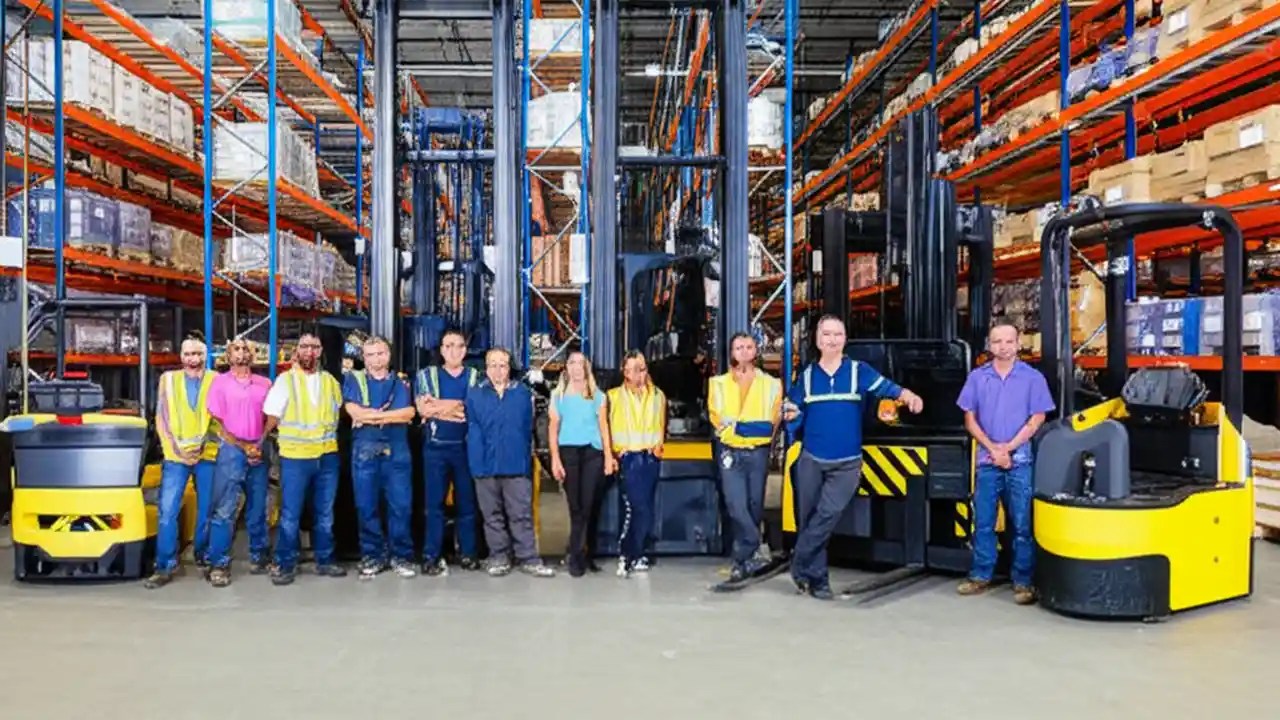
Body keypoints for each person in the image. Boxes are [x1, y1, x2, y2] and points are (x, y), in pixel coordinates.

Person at [784, 315, 924, 600]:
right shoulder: (807, 377)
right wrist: (790, 413)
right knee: (810, 519)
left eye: (838, 334)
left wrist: (909, 395)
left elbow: (888, 388)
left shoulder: (860, 371)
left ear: (845, 339)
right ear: (817, 339)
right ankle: (818, 580)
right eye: (827, 334)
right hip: (812, 459)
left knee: (826, 515)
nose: (832, 339)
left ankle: (799, 563)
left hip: (847, 463)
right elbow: (792, 409)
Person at [955, 323, 1055, 605]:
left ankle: (1023, 582)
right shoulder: (977, 377)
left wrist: (1008, 448)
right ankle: (980, 575)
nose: (1003, 347)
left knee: (1023, 524)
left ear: (1017, 343)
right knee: (983, 521)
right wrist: (993, 448)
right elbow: (969, 419)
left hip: (1019, 460)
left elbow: (1037, 419)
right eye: (997, 341)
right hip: (987, 460)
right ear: (990, 344)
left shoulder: (1032, 378)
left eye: (1008, 341)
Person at [263, 333, 346, 586]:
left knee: (325, 513)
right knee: (290, 514)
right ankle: (285, 563)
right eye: (304, 347)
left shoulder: (331, 382)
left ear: (320, 351)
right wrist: (260, 443)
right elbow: (272, 416)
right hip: (296, 458)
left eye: (314, 347)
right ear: (297, 351)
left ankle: (325, 560)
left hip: (326, 456)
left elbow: (337, 413)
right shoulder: (285, 381)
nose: (309, 351)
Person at [464, 348, 554, 577]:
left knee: (520, 514)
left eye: (502, 364)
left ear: (509, 367)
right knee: (492, 515)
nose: (497, 370)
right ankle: (499, 556)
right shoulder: (474, 394)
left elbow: (535, 424)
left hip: (516, 463)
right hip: (484, 464)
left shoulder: (523, 393)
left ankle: (529, 558)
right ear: (486, 368)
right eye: (492, 364)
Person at [144, 338, 219, 589]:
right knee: (167, 512)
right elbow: (161, 417)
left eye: (197, 354)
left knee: (207, 510)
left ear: (205, 356)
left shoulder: (215, 380)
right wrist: (175, 450)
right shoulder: (169, 380)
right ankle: (165, 565)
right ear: (181, 355)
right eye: (187, 353)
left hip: (207, 454)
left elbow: (219, 418)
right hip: (176, 457)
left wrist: (202, 446)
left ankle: (204, 557)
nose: (192, 359)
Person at [708, 332, 782, 582]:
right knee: (735, 505)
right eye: (738, 347)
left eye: (748, 347)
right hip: (730, 453)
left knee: (753, 506)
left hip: (757, 453)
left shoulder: (772, 384)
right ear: (731, 353)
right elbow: (717, 420)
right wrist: (748, 428)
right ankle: (755, 542)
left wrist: (738, 427)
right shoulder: (717, 384)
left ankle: (742, 560)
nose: (743, 351)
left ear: (755, 351)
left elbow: (769, 426)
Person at [343, 336, 417, 580]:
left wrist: (370, 417)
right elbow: (352, 410)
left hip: (396, 453)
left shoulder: (402, 383)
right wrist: (385, 416)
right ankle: (373, 556)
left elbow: (408, 413)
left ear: (389, 354)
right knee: (366, 506)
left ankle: (401, 556)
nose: (376, 359)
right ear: (364, 358)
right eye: (371, 354)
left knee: (401, 506)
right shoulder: (354, 379)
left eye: (381, 353)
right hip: (365, 453)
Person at [202, 338, 273, 588]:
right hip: (231, 451)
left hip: (259, 448)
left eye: (246, 349)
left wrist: (260, 443)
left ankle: (260, 556)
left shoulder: (265, 384)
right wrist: (244, 447)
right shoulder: (219, 384)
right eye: (237, 349)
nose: (242, 353)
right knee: (224, 508)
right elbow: (217, 424)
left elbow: (272, 417)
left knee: (258, 507)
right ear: (228, 355)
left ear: (254, 355)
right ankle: (219, 562)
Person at [415, 329, 482, 575]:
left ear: (465, 350)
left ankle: (468, 554)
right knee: (434, 505)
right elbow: (423, 409)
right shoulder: (426, 375)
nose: (454, 350)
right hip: (435, 449)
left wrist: (439, 407)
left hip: (466, 449)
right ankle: (431, 555)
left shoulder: (476, 376)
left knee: (467, 504)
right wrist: (455, 407)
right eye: (449, 345)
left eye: (459, 346)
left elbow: (472, 410)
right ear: (441, 350)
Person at [548, 351, 615, 577]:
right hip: (568, 453)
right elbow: (553, 429)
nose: (576, 367)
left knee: (587, 505)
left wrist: (608, 456)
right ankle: (579, 552)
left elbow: (604, 427)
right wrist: (555, 458)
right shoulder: (557, 397)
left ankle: (579, 556)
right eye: (572, 363)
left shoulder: (598, 396)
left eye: (580, 363)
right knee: (575, 507)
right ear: (566, 367)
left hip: (592, 452)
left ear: (587, 367)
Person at [607, 350, 667, 578]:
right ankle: (627, 553)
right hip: (628, 458)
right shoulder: (613, 397)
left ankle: (639, 553)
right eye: (632, 369)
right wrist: (614, 454)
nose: (638, 373)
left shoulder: (658, 396)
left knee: (647, 509)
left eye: (641, 368)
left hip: (650, 457)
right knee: (637, 508)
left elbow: (661, 423)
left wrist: (659, 446)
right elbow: (606, 428)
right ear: (624, 371)